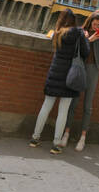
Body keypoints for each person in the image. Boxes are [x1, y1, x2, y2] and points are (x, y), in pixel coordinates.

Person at [30, 10, 89, 153]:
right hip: (70, 75)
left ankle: (35, 138)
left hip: (54, 73)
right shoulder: (78, 33)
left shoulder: (57, 33)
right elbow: (85, 53)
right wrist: (86, 38)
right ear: (74, 20)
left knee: (46, 106)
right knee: (63, 111)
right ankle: (56, 144)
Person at [68, 11, 99, 152]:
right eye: (95, 22)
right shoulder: (81, 32)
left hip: (93, 69)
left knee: (88, 104)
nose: (97, 25)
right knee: (73, 101)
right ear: (90, 21)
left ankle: (82, 137)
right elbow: (74, 48)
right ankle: (66, 133)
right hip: (80, 66)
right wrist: (88, 40)